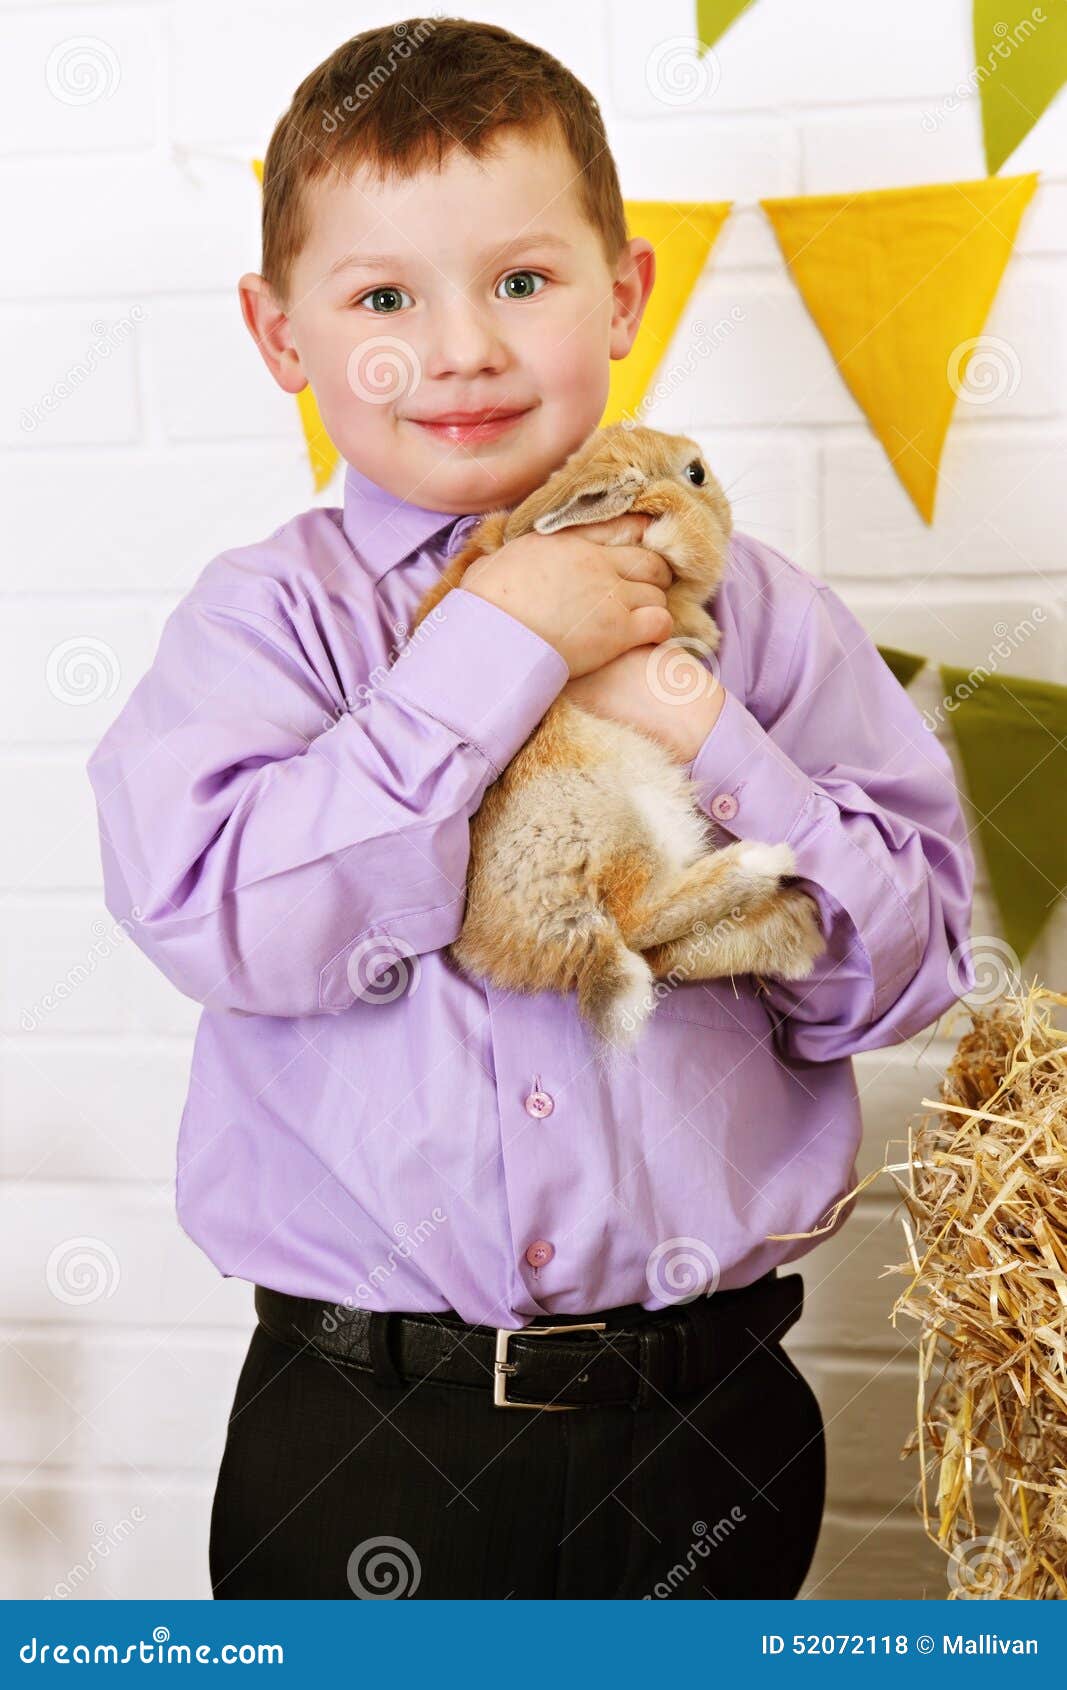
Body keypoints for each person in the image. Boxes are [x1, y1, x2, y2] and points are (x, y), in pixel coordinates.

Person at [86, 17, 976, 1601]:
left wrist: (693, 716)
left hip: (706, 1426)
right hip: (361, 1427)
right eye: (381, 299)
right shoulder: (267, 626)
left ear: (625, 291)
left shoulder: (753, 619)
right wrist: (503, 653)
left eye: (520, 280)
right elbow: (228, 915)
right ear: (279, 334)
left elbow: (899, 966)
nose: (461, 349)